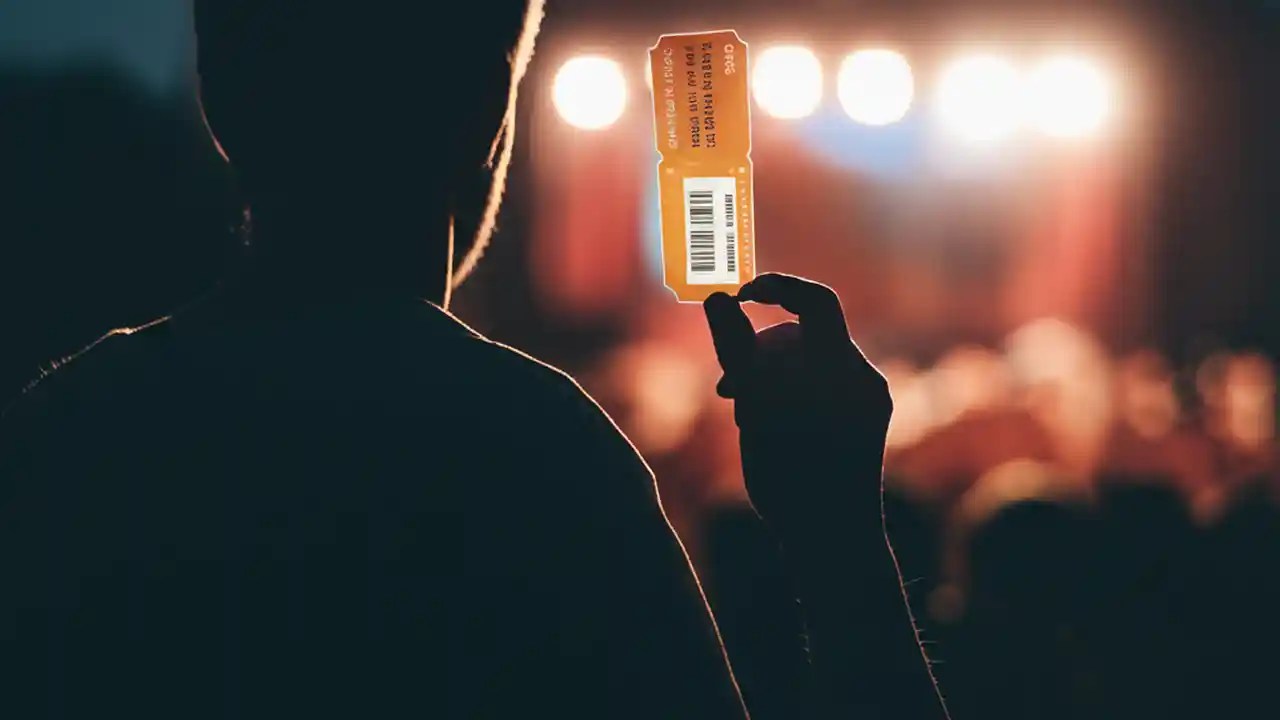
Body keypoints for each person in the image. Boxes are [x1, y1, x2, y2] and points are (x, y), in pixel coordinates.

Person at [0, 1, 946, 717]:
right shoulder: (533, 458)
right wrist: (840, 547)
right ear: (489, 110)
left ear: (222, 94)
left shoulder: (60, 440)